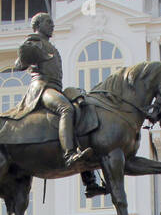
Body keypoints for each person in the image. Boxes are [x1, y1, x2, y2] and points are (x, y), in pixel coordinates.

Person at [6, 12, 109, 197]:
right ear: (38, 25)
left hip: (56, 89)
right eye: (48, 22)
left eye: (52, 23)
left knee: (81, 115)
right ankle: (69, 154)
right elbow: (20, 63)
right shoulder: (33, 42)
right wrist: (27, 51)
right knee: (66, 109)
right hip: (42, 88)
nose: (52, 26)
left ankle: (90, 182)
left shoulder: (51, 46)